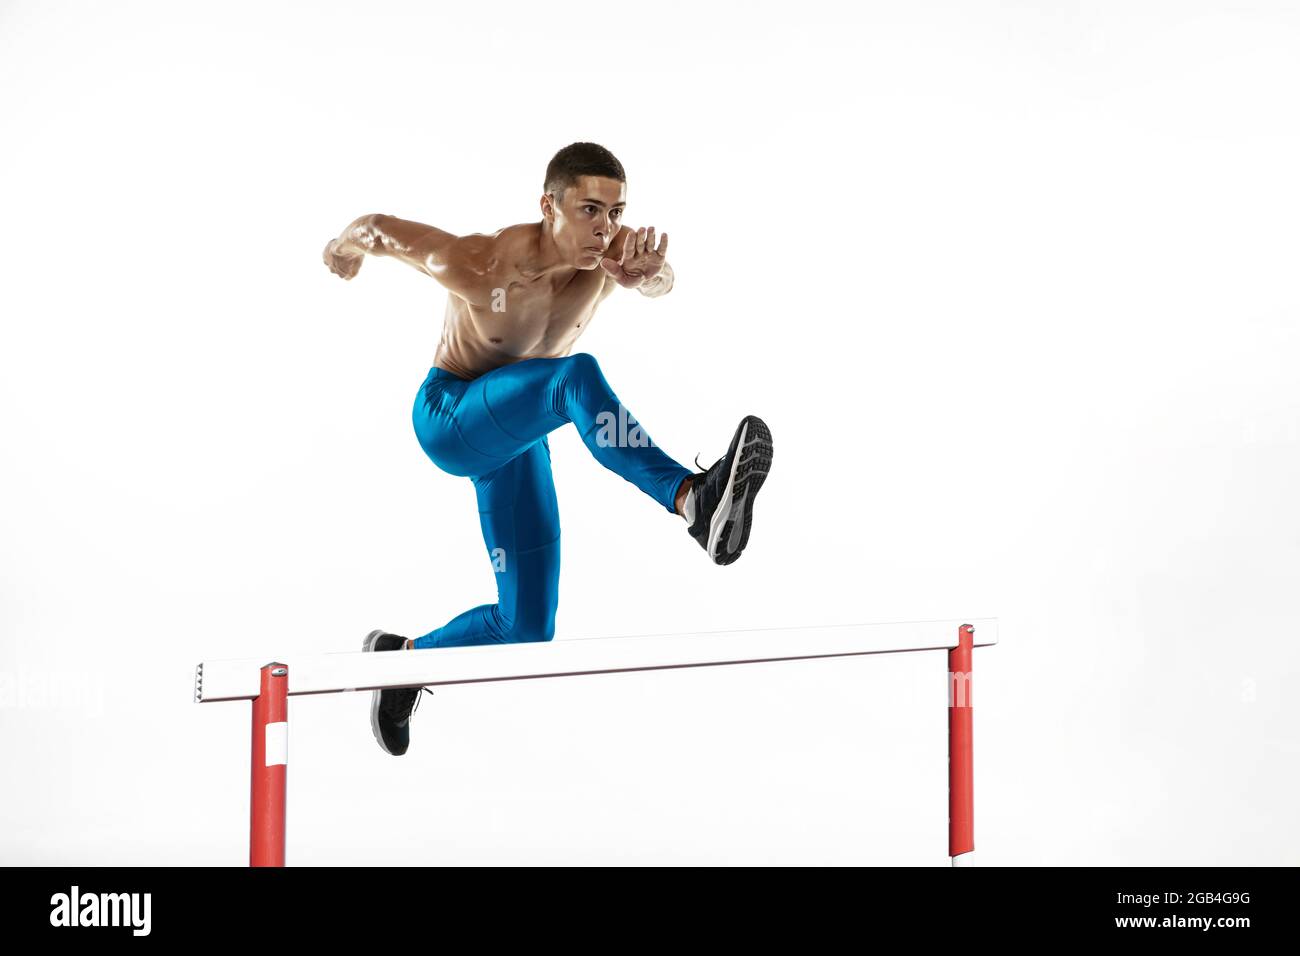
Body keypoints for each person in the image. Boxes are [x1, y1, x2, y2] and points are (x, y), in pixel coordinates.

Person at [322, 142, 773, 756]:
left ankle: (400, 661)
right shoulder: (483, 264)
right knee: (573, 376)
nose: (605, 228)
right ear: (548, 206)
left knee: (527, 626)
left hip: (516, 436)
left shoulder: (611, 255)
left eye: (616, 212)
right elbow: (378, 229)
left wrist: (649, 278)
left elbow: (664, 281)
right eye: (589, 210)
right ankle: (692, 497)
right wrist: (341, 250)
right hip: (451, 418)